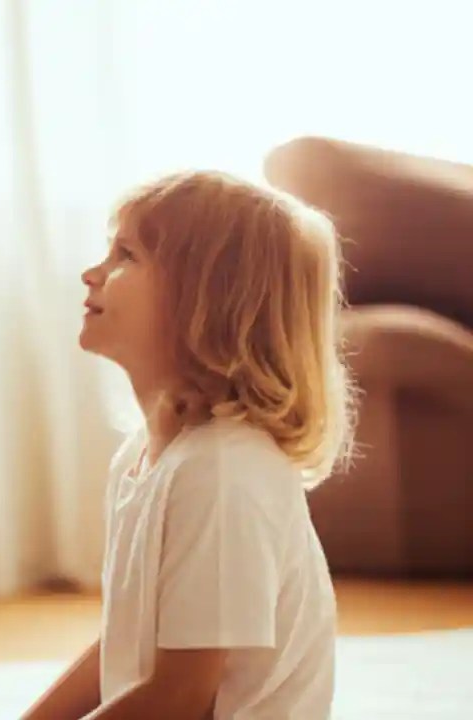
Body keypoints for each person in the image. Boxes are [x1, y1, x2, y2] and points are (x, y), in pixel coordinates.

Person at [22, 171, 355, 719]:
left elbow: (178, 696)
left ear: (204, 301)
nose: (92, 273)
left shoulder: (224, 472)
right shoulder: (143, 458)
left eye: (125, 255)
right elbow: (126, 647)